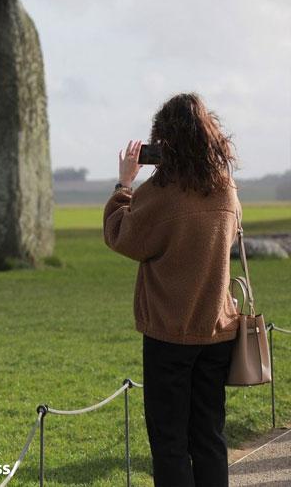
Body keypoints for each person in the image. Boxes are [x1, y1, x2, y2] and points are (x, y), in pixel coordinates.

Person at [102, 92, 241, 487]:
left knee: (170, 443)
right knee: (210, 437)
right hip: (217, 331)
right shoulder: (227, 190)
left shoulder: (161, 192)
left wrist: (124, 183)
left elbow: (121, 235)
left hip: (169, 334)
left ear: (165, 140)